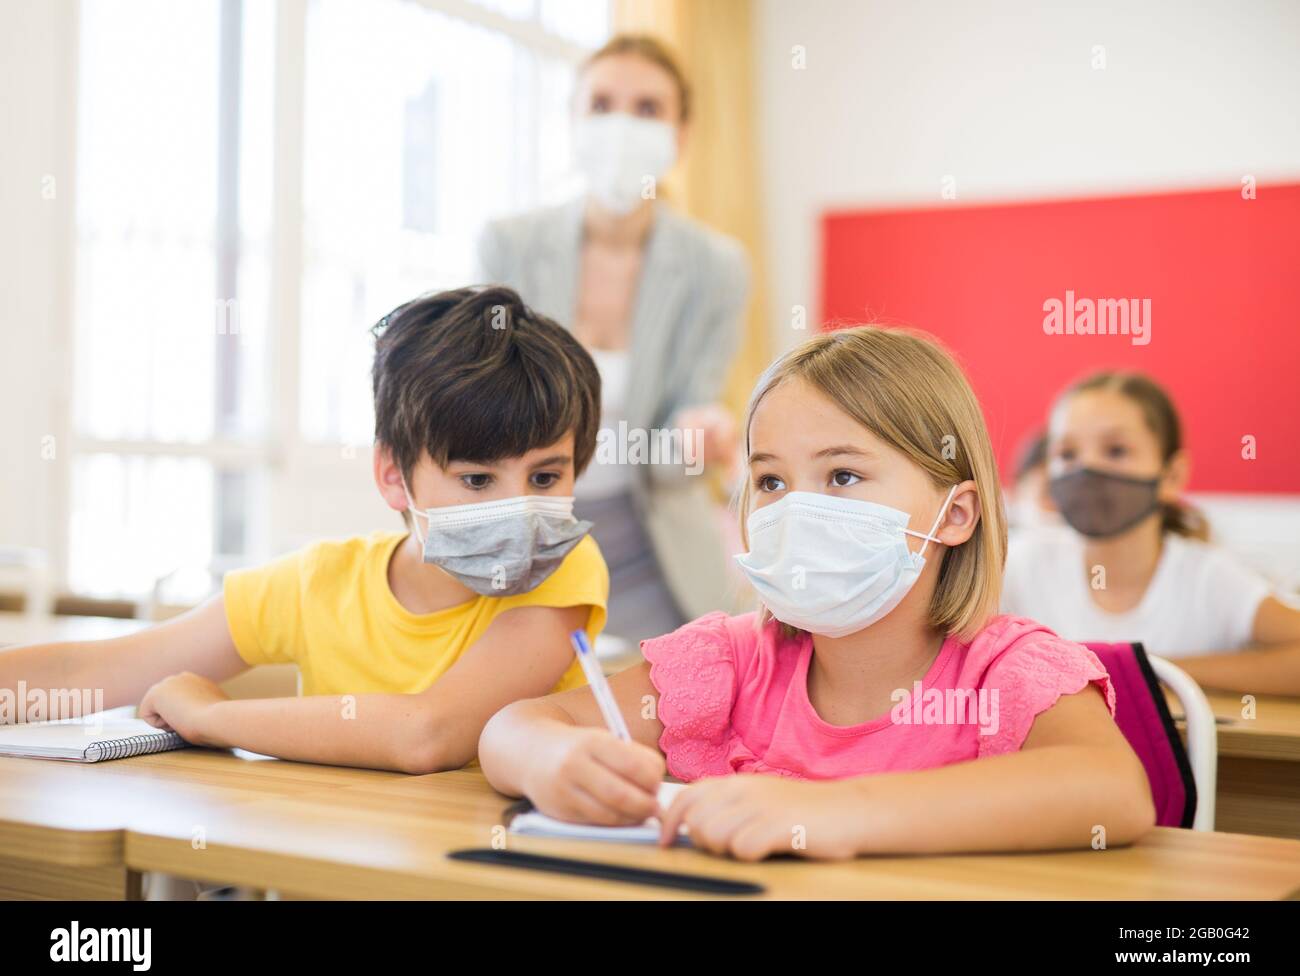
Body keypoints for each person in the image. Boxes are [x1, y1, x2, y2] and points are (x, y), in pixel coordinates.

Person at [479, 327, 1154, 860]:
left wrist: (836, 812)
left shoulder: (1001, 673)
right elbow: (513, 728)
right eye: (771, 481)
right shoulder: (728, 662)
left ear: (955, 514)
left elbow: (1114, 791)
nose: (795, 509)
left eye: (842, 475)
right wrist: (556, 760)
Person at [0, 287, 611, 770]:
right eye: (478, 480)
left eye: (545, 478)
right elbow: (91, 673)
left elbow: (429, 734)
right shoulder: (323, 581)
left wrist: (215, 719)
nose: (520, 510)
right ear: (393, 475)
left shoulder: (567, 574)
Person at [476, 34, 750, 642]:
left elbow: (687, 424)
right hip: (526, 536)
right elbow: (479, 405)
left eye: (648, 108)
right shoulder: (509, 244)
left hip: (652, 551)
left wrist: (698, 435)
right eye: (601, 103)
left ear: (680, 137)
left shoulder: (717, 268)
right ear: (573, 122)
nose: (621, 124)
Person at [1002, 371, 1300, 697]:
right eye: (1067, 454)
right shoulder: (1020, 566)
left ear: (1171, 476)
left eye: (1116, 451)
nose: (1086, 469)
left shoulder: (1205, 578)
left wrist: (1150, 670)